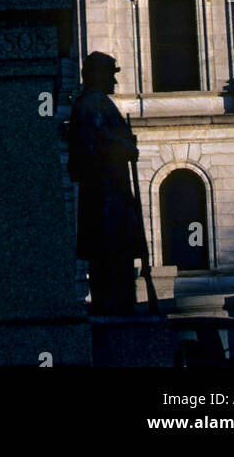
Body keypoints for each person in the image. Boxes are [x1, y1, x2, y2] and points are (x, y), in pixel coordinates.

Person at [67, 51, 143, 315]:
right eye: (111, 74)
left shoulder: (96, 103)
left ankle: (119, 302)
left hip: (112, 192)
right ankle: (113, 304)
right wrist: (125, 148)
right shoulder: (91, 104)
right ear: (97, 75)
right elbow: (93, 146)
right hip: (105, 195)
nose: (114, 81)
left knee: (118, 249)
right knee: (111, 249)